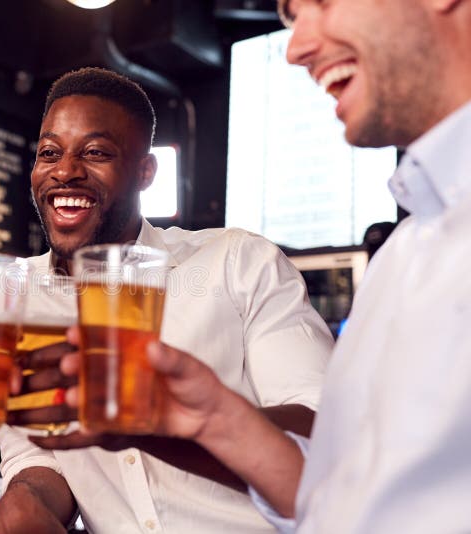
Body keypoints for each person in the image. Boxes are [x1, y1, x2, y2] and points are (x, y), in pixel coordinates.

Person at [53, 1, 471, 532]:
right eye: (291, 16)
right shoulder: (407, 253)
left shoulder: (242, 259)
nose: (295, 48)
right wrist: (208, 419)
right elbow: (349, 499)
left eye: (320, 2)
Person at [0, 67, 335, 533]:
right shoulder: (15, 294)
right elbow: (39, 456)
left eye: (96, 152)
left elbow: (321, 425)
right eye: (49, 152)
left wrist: (169, 421)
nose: (66, 171)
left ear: (145, 172)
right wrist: (27, 501)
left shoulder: (238, 261)